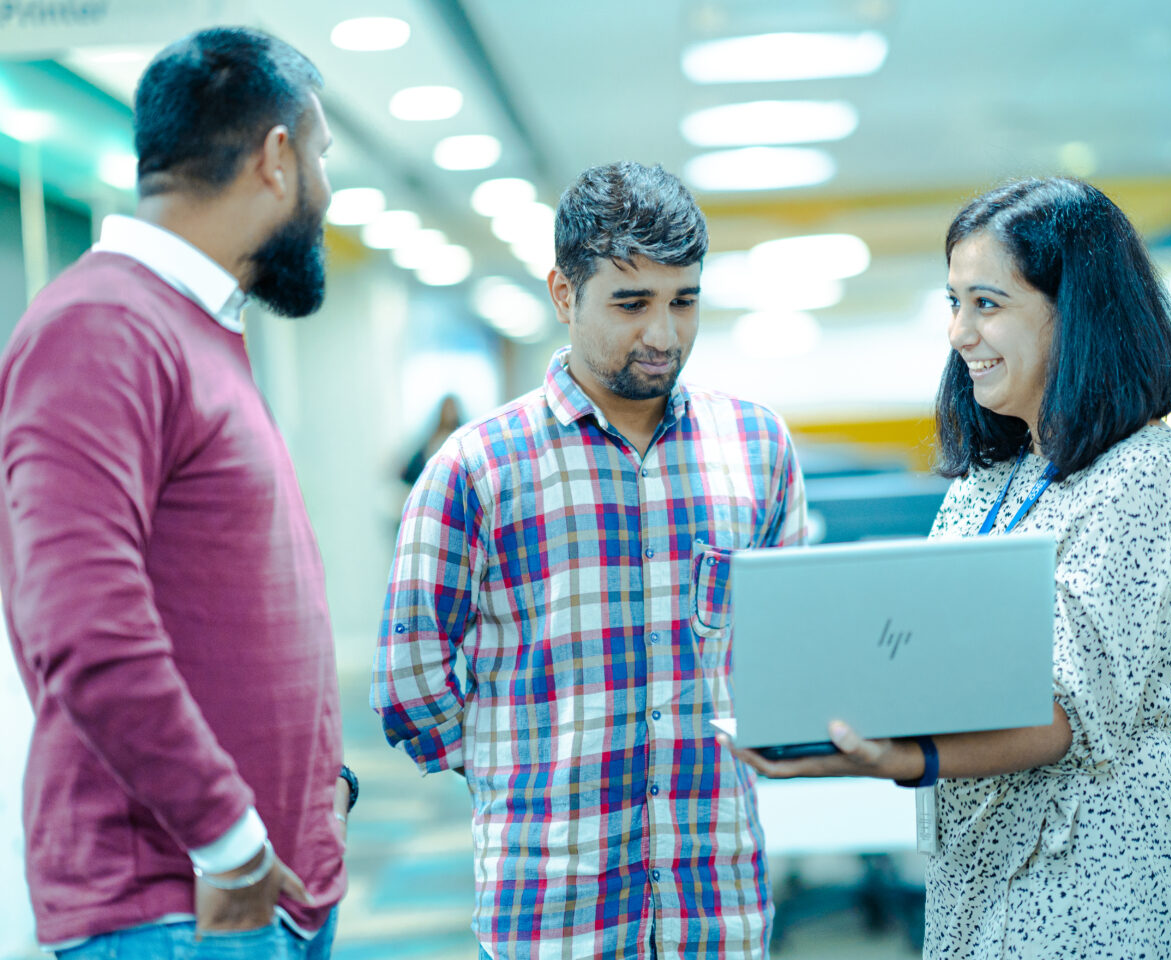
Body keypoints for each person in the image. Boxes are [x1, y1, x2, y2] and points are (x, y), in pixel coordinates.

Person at [726, 177, 1171, 959]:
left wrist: (906, 758)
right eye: (953, 303)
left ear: (1078, 315)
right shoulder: (994, 483)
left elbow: (1065, 712)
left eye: (987, 303)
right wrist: (831, 719)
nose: (960, 332)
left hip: (1091, 897)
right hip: (976, 889)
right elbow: (936, 666)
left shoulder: (1148, 476)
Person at [372, 161, 807, 960]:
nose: (664, 335)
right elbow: (409, 679)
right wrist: (513, 773)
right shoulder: (477, 467)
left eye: (685, 301)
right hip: (552, 907)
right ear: (565, 295)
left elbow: (787, 649)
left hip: (716, 898)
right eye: (632, 303)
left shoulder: (757, 447)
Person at [0, 27, 355, 959]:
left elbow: (220, 601)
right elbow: (81, 620)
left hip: (253, 895)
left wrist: (319, 790)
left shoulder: (190, 326)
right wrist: (231, 842)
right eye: (323, 158)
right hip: (179, 908)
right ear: (278, 159)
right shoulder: (102, 325)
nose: (327, 191)